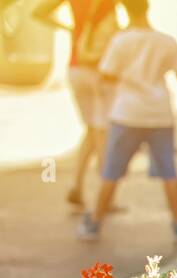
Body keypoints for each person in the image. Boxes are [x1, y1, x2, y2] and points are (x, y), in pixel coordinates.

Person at [77, 0, 177, 244]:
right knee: (169, 170)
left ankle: (95, 223)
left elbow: (106, 74)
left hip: (127, 113)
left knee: (111, 171)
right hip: (160, 113)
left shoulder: (120, 41)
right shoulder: (165, 41)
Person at [33, 0, 119, 209]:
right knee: (102, 133)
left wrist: (70, 29)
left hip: (75, 67)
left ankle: (77, 187)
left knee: (92, 129)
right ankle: (104, 198)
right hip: (100, 69)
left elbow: (38, 13)